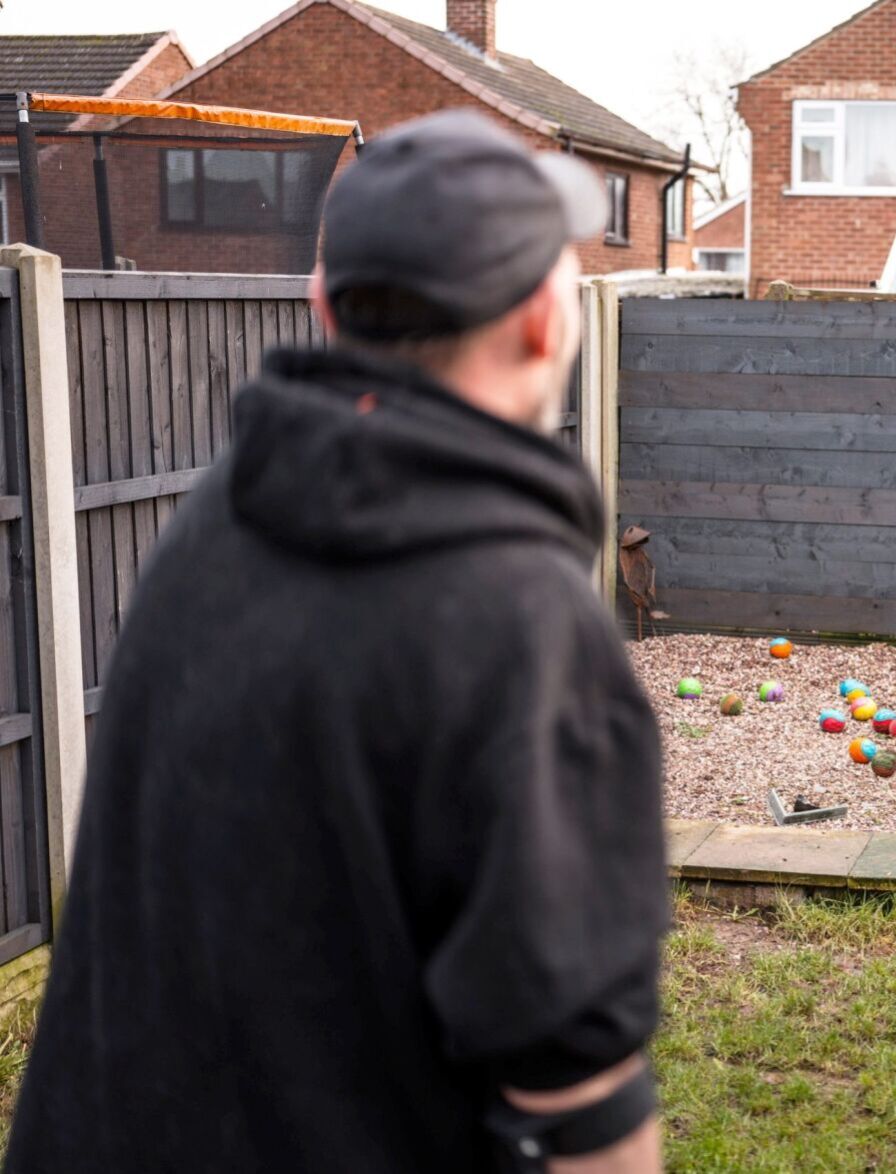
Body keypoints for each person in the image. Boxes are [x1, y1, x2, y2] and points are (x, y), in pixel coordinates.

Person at [6, 110, 668, 1174]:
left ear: (325, 305)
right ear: (549, 318)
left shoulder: (215, 525)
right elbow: (577, 1097)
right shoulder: (525, 627)